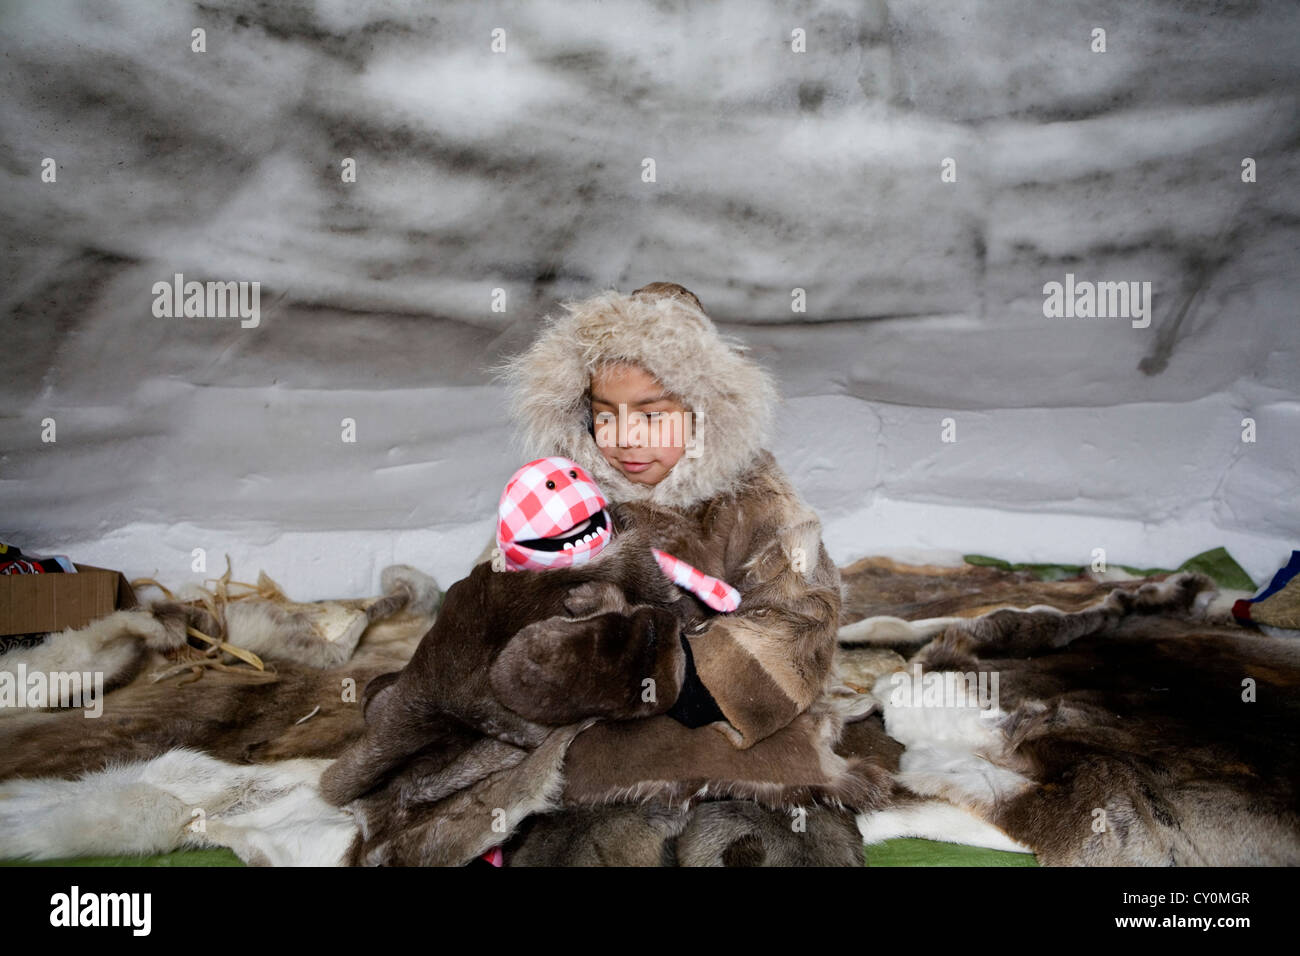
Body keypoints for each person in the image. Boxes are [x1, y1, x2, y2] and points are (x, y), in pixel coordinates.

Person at [498, 281, 841, 750]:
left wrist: (686, 680)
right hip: (572, 705)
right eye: (606, 416)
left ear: (700, 413)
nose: (626, 438)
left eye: (652, 416)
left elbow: (801, 612)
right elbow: (502, 580)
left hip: (695, 708)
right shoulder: (567, 490)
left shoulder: (754, 497)